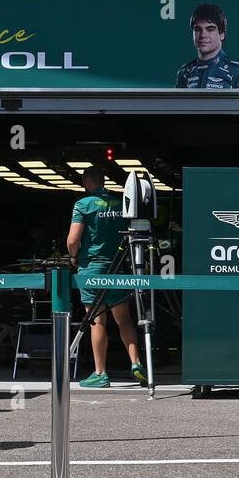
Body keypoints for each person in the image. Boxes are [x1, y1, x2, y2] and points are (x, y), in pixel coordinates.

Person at [66, 166, 147, 388]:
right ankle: (136, 363)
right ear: (104, 181)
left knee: (96, 321)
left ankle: (100, 373)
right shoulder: (121, 203)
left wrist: (73, 257)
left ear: (86, 182)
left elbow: (73, 240)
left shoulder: (83, 204)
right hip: (118, 267)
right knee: (124, 319)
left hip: (92, 269)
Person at [175, 3, 239, 89]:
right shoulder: (185, 73)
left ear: (222, 34)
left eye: (210, 29)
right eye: (198, 29)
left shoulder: (238, 71)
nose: (203, 35)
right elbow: (174, 107)